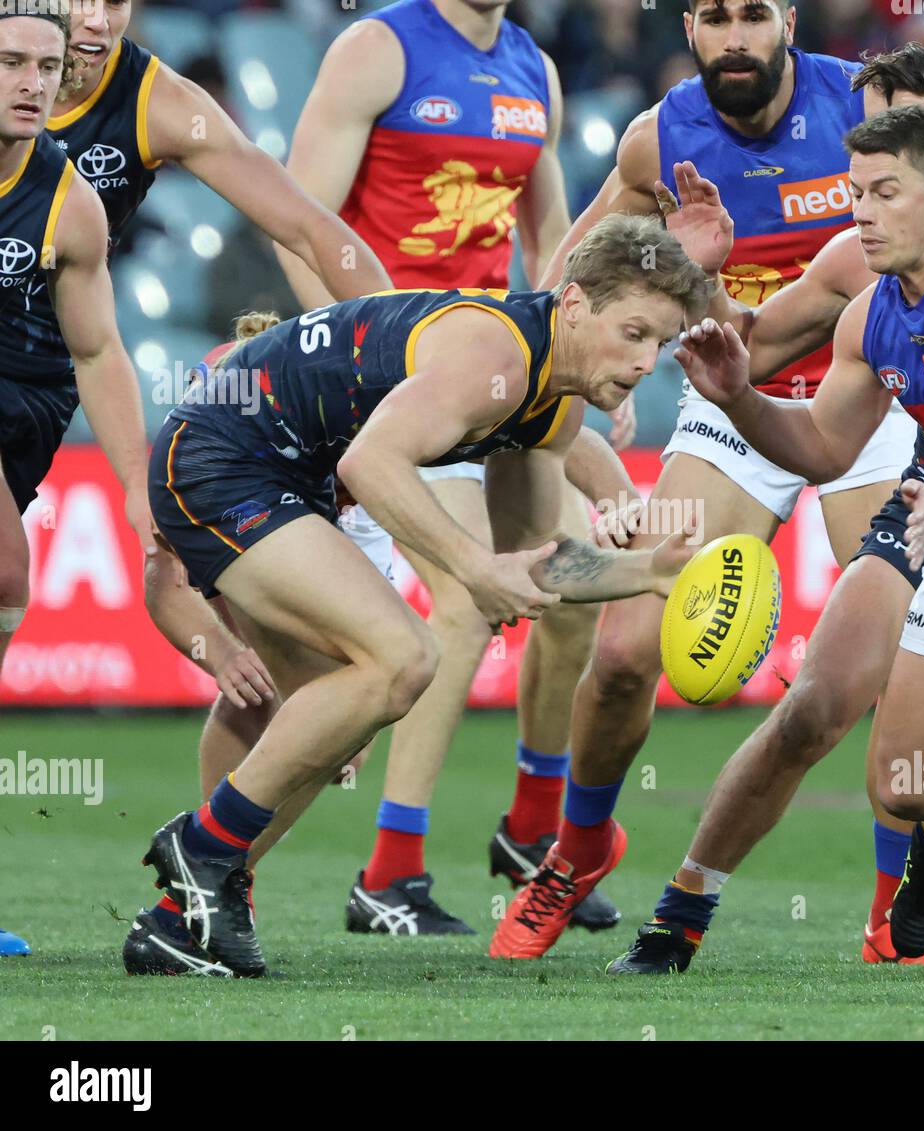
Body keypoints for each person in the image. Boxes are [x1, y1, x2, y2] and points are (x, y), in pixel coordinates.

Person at [603, 40, 924, 973]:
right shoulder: (865, 252)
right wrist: (697, 281)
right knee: (817, 705)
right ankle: (679, 914)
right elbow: (749, 360)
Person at [141, 214, 710, 977]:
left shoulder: (555, 399)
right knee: (406, 657)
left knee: (332, 717)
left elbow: (533, 562)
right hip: (222, 457)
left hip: (288, 480)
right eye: (634, 333)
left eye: (661, 344)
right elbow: (375, 461)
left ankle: (184, 917)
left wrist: (649, 574)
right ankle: (204, 848)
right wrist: (473, 567)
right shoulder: (495, 355)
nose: (646, 361)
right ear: (573, 304)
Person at [487, 0, 919, 963]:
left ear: (788, 21)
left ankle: (899, 912)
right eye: (716, 17)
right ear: (688, 26)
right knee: (630, 646)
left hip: (870, 409)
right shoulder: (659, 140)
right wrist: (578, 363)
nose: (737, 38)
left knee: (902, 668)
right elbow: (571, 273)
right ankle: (581, 848)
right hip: (731, 410)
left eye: (754, 15)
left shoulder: (868, 107)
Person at [52, 0, 395, 972]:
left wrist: (390, 348)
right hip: (59, 352)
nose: (92, 16)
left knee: (309, 694)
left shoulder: (161, 103)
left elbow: (307, 225)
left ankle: (214, 886)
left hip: (64, 360)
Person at [276, 0, 620, 934]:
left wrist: (572, 352)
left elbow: (549, 240)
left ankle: (530, 833)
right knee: (467, 598)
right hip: (400, 367)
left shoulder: (531, 69)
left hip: (500, 362)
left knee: (573, 583)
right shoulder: (377, 47)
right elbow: (295, 223)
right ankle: (390, 871)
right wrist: (355, 348)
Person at [0, 8, 157, 957]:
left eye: (46, 65)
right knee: (6, 575)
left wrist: (138, 488)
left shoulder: (69, 201)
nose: (30, 80)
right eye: (9, 60)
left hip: (26, 423)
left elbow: (99, 352)